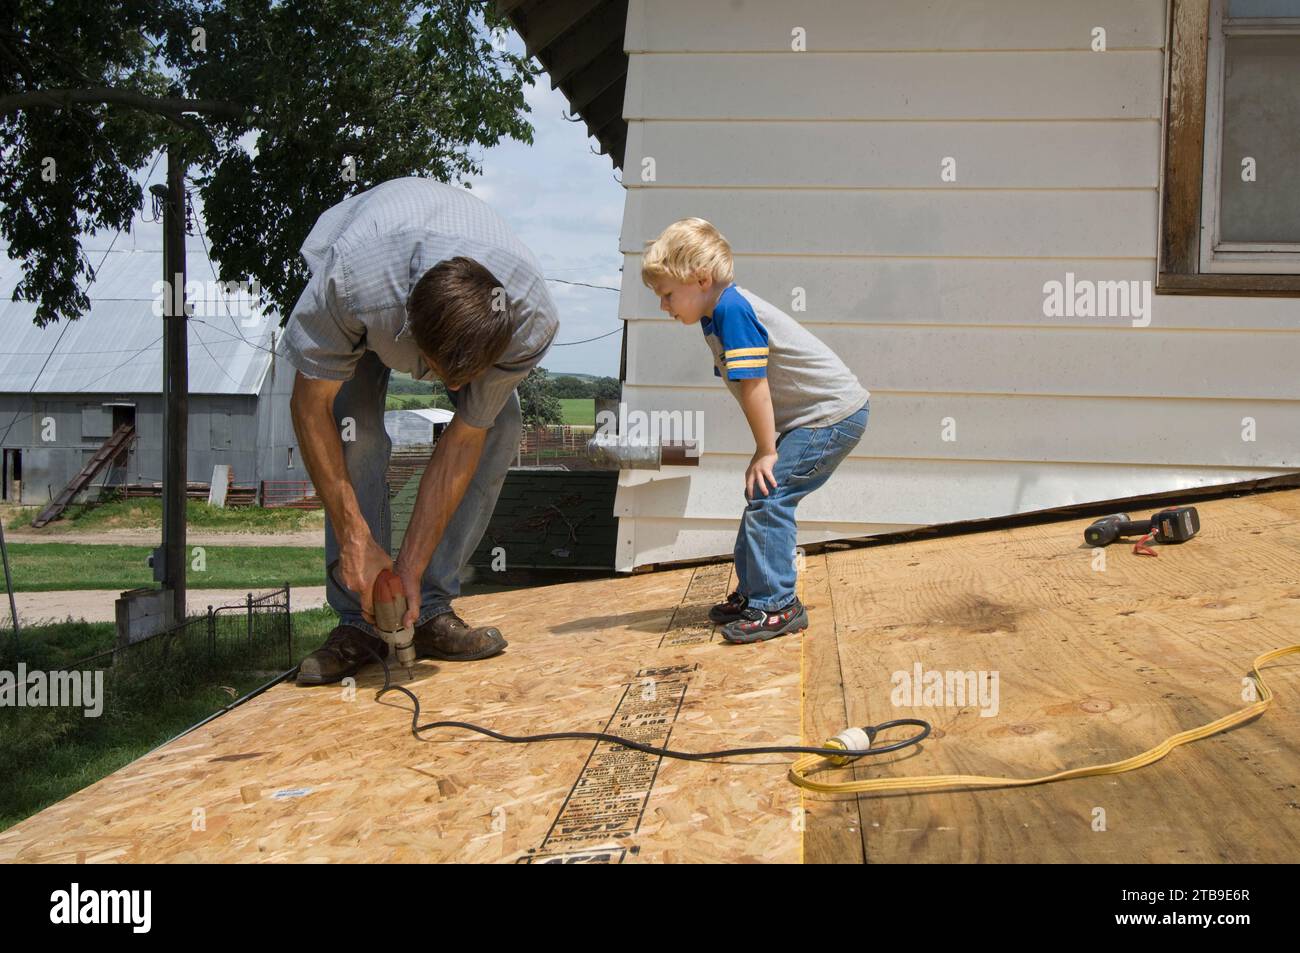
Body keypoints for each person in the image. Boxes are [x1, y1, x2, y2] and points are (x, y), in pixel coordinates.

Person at [280, 178, 558, 683]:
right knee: (355, 431)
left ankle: (427, 607)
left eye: (466, 376)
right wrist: (355, 537)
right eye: (439, 370)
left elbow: (465, 438)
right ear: (410, 332)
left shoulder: (530, 322)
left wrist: (408, 566)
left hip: (453, 298)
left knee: (501, 425)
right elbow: (307, 404)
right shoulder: (351, 284)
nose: (451, 387)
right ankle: (358, 621)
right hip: (366, 281)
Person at [641, 218, 868, 643]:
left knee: (771, 494)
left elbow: (754, 384)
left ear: (701, 279)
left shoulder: (731, 310)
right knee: (762, 493)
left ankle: (778, 605)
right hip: (817, 417)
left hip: (831, 416)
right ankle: (754, 593)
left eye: (667, 294)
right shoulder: (717, 315)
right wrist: (765, 449)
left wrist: (766, 449)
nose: (664, 306)